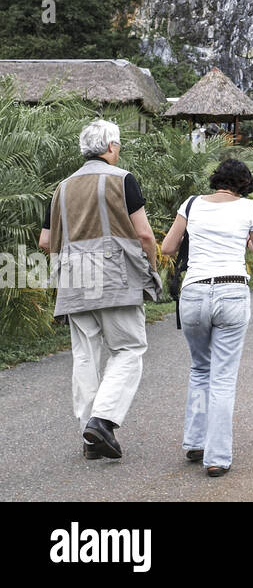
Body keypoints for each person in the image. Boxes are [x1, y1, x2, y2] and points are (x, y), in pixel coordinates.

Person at [38, 119, 161, 461]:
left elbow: (46, 241)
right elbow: (146, 235)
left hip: (73, 281)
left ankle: (90, 438)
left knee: (85, 356)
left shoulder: (61, 187)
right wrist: (149, 269)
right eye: (118, 145)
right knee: (129, 348)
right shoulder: (122, 180)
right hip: (114, 276)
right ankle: (103, 421)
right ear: (110, 147)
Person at [161, 158, 253, 477]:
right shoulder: (248, 209)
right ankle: (217, 457)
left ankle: (195, 442)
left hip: (194, 293)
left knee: (200, 368)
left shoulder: (192, 204)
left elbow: (168, 247)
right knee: (222, 376)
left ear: (217, 179)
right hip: (232, 292)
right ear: (245, 184)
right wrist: (245, 239)